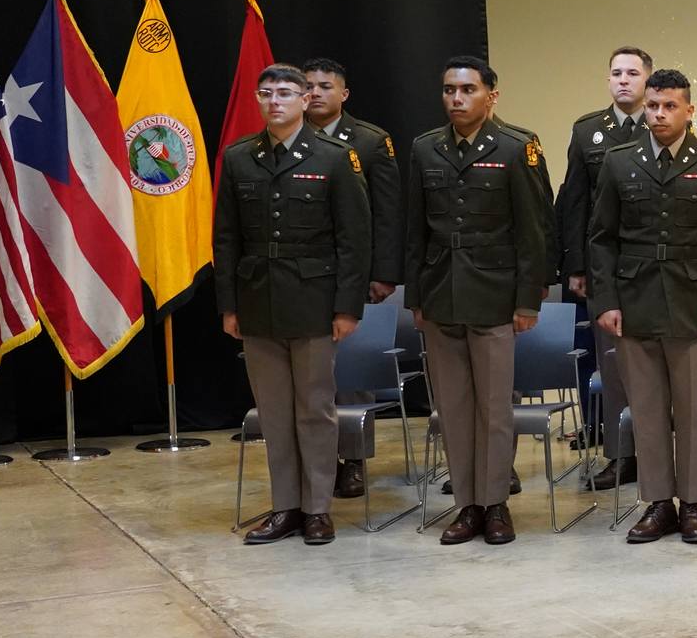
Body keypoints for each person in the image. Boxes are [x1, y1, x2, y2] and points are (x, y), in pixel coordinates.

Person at [589, 69, 697, 545]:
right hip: (635, 305)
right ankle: (658, 504)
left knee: (696, 412)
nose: (659, 114)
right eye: (653, 106)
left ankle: (694, 504)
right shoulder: (620, 163)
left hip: (696, 308)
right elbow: (601, 239)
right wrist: (606, 301)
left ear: (688, 110)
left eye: (669, 107)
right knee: (647, 411)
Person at [404, 55, 554, 546]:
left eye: (467, 90)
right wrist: (417, 296)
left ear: (491, 95)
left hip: (494, 295)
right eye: (449, 90)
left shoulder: (517, 147)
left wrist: (527, 301)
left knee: (494, 408)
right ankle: (465, 505)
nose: (456, 99)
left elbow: (534, 232)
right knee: (453, 408)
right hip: (441, 293)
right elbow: (415, 232)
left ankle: (494, 505)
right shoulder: (425, 149)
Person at [220, 64, 372, 546]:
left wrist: (347, 308)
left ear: (306, 100)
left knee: (314, 409)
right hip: (258, 300)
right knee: (274, 413)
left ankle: (318, 510)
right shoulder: (239, 158)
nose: (275, 102)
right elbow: (226, 238)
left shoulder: (334, 157)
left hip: (314, 301)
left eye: (285, 93)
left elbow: (354, 240)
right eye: (266, 94)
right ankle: (286, 506)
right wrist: (229, 305)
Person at [302, 56, 401, 501]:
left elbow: (387, 212)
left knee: (351, 376)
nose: (316, 93)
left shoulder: (369, 141)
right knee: (314, 378)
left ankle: (353, 462)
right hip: (303, 278)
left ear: (344, 94)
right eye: (310, 86)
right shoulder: (289, 139)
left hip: (354, 276)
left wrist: (382, 274)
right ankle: (315, 462)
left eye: (326, 86)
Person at [556, 47, 652, 493]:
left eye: (633, 73)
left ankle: (658, 453)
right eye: (616, 73)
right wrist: (574, 265)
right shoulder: (588, 131)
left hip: (656, 268)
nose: (623, 81)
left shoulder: (665, 125)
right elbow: (572, 201)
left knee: (656, 367)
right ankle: (619, 455)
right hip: (605, 268)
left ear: (648, 80)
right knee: (612, 367)